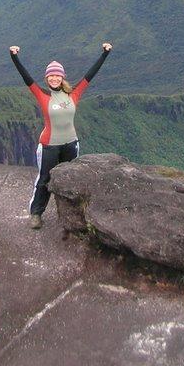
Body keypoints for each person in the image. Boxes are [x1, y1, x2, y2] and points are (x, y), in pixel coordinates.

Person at [9, 42, 112, 229]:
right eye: (51, 76)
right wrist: (14, 57)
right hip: (49, 145)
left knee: (71, 179)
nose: (54, 78)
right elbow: (26, 78)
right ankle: (36, 213)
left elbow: (90, 75)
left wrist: (104, 54)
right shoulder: (42, 95)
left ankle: (71, 215)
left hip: (71, 144)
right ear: (47, 78)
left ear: (62, 77)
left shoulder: (73, 94)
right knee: (44, 179)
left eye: (57, 75)